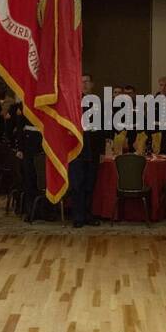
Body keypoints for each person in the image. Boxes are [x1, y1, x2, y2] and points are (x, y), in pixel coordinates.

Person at [68, 72, 103, 226]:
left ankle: (88, 215)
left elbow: (103, 129)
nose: (85, 84)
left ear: (92, 84)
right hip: (77, 150)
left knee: (90, 184)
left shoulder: (99, 103)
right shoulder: (73, 102)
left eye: (87, 81)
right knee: (77, 184)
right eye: (81, 81)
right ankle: (78, 217)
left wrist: (102, 151)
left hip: (94, 150)